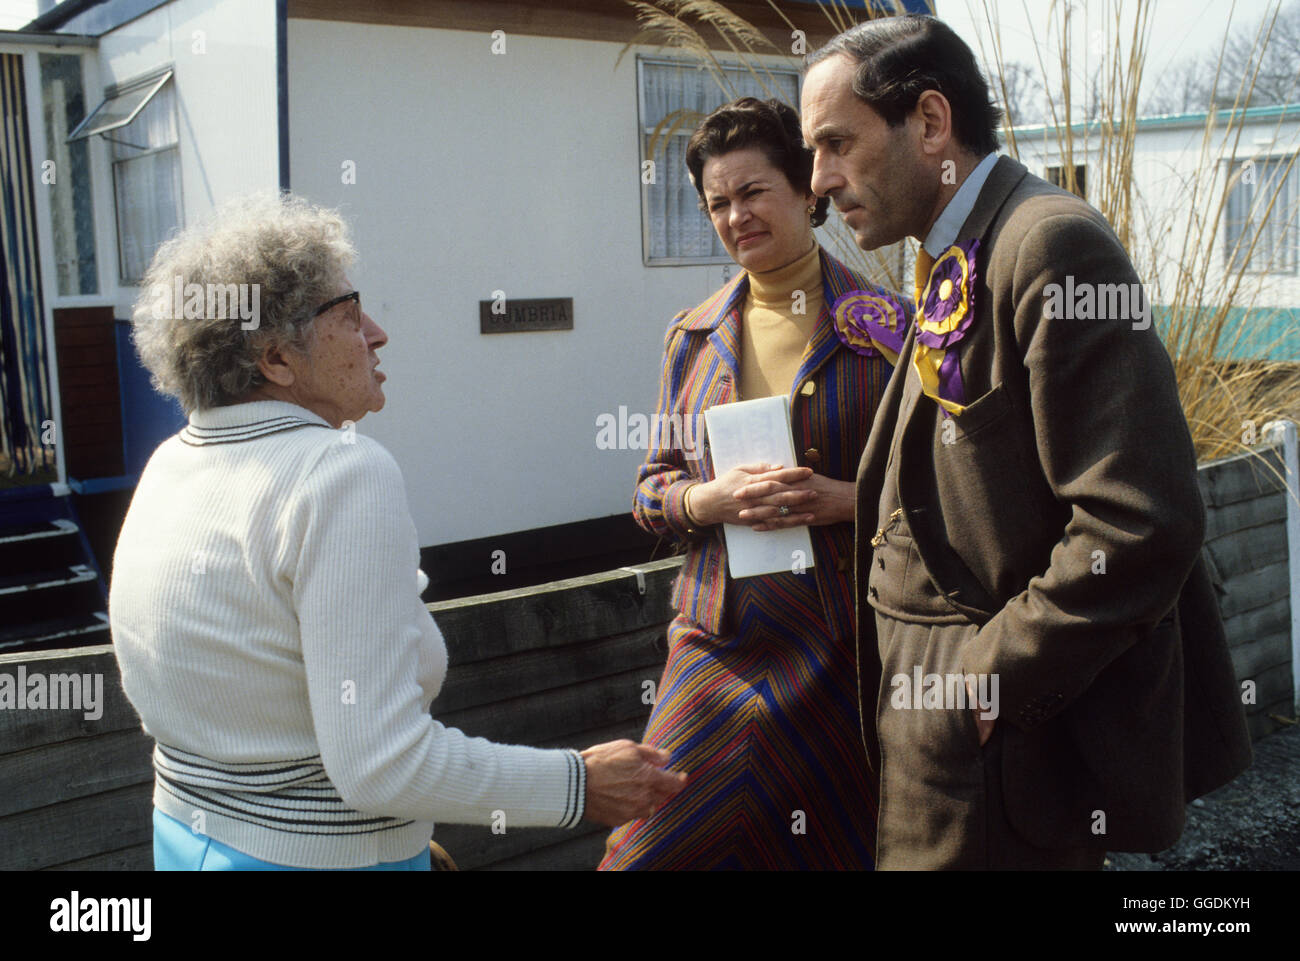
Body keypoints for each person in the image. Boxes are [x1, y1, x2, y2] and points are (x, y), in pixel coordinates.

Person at [110, 193, 685, 871]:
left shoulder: (172, 464)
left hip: (186, 843)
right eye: (349, 316)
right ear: (275, 360)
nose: (378, 332)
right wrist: (578, 784)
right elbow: (379, 765)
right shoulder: (339, 472)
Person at [798, 15, 1252, 869]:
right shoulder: (955, 246)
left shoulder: (1049, 244)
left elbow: (1139, 522)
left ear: (930, 123)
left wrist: (984, 682)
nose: (817, 182)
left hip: (1004, 765)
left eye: (835, 143)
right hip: (938, 744)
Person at [599, 98, 907, 870]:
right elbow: (650, 492)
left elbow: (945, 489)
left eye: (753, 191)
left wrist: (846, 500)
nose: (736, 215)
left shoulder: (892, 328)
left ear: (807, 188)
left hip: (845, 642)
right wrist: (708, 500)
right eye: (717, 203)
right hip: (718, 642)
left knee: (832, 847)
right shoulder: (692, 335)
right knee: (647, 847)